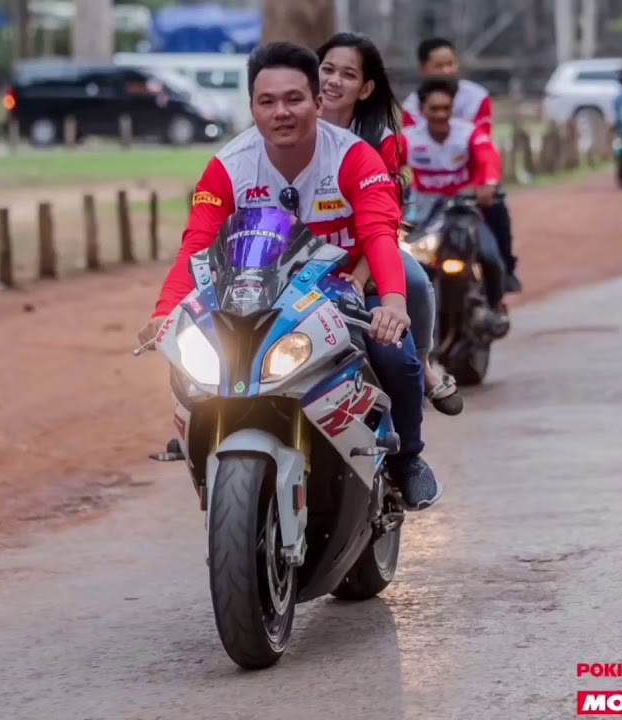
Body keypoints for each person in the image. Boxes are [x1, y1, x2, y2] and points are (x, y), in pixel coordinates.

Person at [137, 42, 442, 510]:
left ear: (318, 102)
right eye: (267, 101)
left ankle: (408, 460)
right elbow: (196, 244)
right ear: (253, 108)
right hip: (259, 292)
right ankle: (203, 445)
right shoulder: (226, 167)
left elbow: (380, 235)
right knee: (192, 361)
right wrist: (164, 313)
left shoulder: (355, 158)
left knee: (397, 358)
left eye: (294, 99)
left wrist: (394, 304)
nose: (281, 112)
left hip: (346, 290)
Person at [316, 32, 464, 416]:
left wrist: (362, 272)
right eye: (326, 69)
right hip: (304, 259)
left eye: (347, 75)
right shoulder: (292, 128)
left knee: (413, 280)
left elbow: (386, 219)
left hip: (368, 246)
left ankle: (426, 365)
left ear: (365, 89)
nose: (333, 80)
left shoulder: (381, 140)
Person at [401, 37, 521, 292]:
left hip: (469, 193)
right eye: (438, 65)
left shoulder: (475, 104)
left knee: (495, 224)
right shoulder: (411, 112)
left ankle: (505, 271)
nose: (440, 116)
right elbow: (399, 156)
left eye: (450, 64)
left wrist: (486, 184)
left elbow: (484, 149)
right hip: (425, 201)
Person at [403, 77, 510, 332]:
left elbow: (488, 161)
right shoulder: (408, 139)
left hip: (464, 212)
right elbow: (385, 167)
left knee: (490, 256)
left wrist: (489, 184)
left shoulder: (469, 133)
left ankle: (496, 308)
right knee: (407, 262)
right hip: (424, 217)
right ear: (422, 111)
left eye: (446, 109)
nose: (441, 115)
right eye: (434, 109)